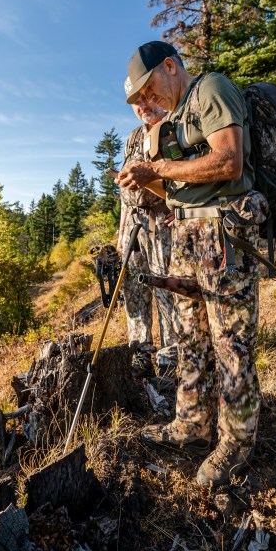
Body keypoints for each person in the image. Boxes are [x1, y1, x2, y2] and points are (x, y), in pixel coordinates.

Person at [117, 40, 266, 488]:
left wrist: (159, 168)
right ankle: (192, 423)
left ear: (170, 65)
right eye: (137, 100)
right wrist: (144, 181)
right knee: (189, 337)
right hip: (187, 233)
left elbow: (228, 160)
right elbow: (178, 194)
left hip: (224, 235)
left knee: (230, 342)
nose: (145, 102)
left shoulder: (212, 89)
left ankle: (237, 443)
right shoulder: (174, 120)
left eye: (147, 91)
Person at [116, 98, 180, 379]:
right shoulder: (133, 137)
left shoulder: (175, 128)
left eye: (147, 99)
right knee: (133, 288)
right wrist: (121, 230)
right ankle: (140, 353)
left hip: (162, 223)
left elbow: (193, 176)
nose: (143, 107)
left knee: (165, 288)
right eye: (136, 104)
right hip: (134, 224)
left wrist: (182, 210)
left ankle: (170, 360)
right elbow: (123, 186)